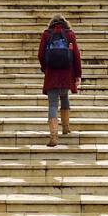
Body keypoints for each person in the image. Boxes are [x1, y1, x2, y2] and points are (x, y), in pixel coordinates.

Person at [38, 14, 82, 147]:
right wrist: (78, 75)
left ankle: (54, 136)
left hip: (52, 74)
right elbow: (76, 55)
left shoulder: (46, 34)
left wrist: (46, 68)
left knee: (52, 104)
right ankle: (66, 127)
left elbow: (40, 54)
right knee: (64, 96)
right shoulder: (70, 34)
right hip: (67, 73)